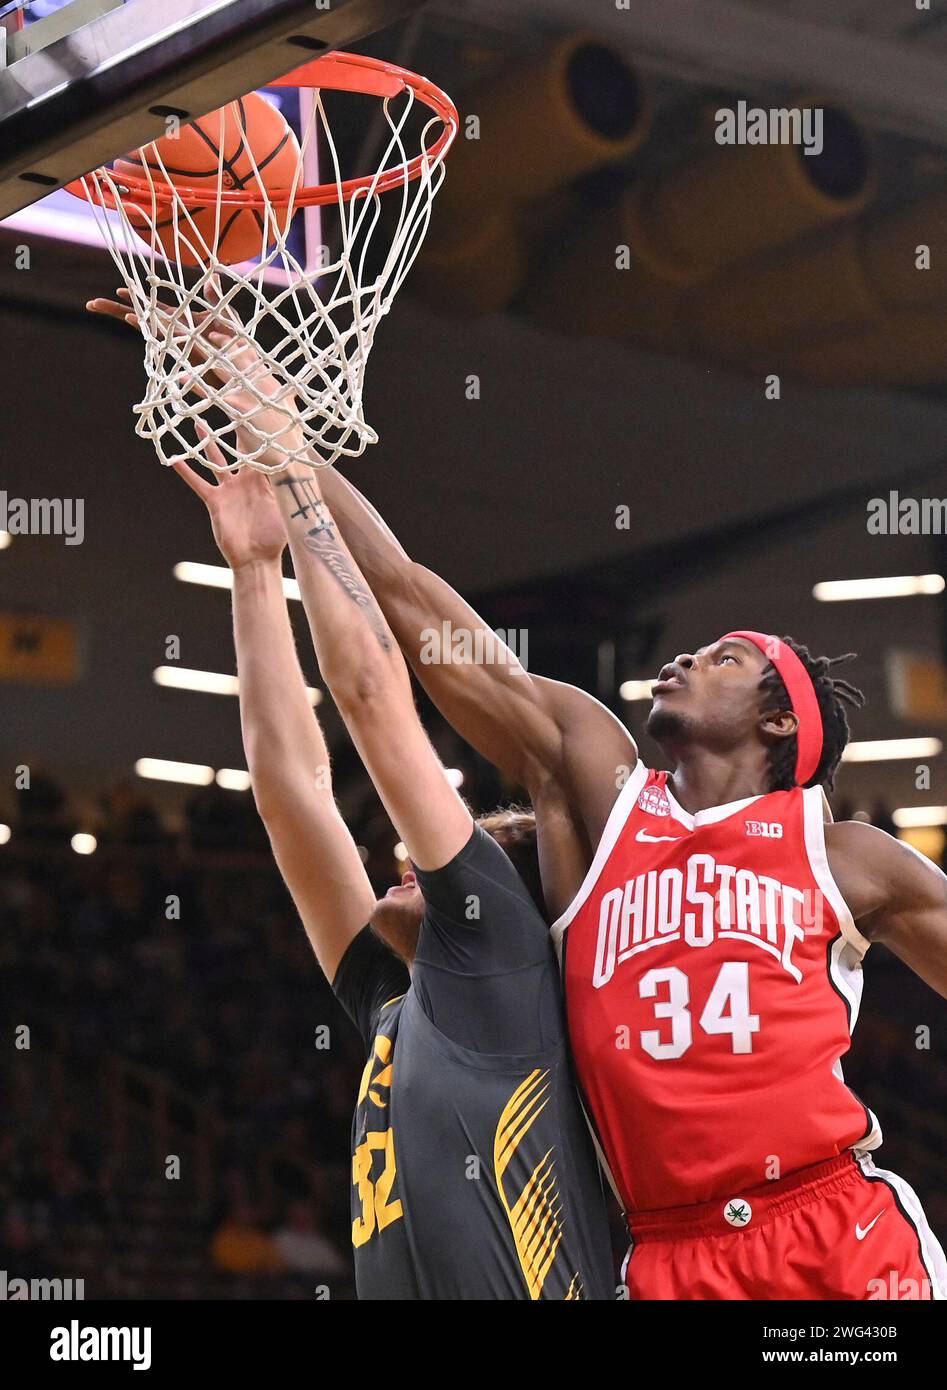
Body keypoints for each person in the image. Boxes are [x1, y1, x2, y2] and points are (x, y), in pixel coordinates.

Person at [90, 293, 947, 1300]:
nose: (679, 657)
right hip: (663, 1250)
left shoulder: (840, 853)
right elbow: (408, 603)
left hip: (826, 1220)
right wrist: (273, 420)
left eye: (720, 658)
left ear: (776, 723)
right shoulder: (597, 786)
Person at [150, 420, 612, 1300]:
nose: (412, 853)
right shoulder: (401, 1004)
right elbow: (293, 796)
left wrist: (292, 469)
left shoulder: (503, 960)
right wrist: (254, 569)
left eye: (474, 844)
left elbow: (370, 693)